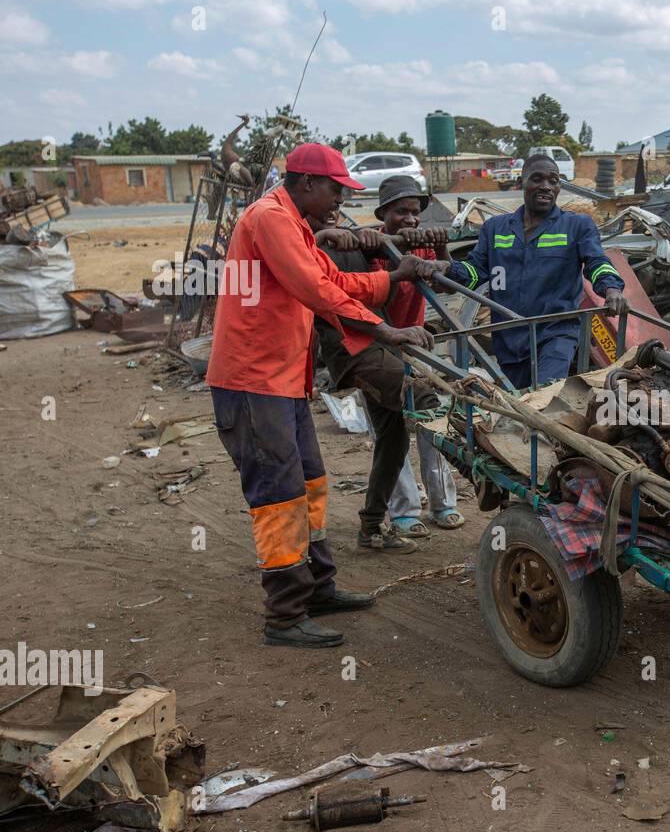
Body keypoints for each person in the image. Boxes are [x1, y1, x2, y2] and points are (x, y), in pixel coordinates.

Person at [206, 142, 435, 648]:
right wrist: (383, 330)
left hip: (284, 380)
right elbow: (313, 287)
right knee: (279, 496)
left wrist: (389, 278)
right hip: (252, 382)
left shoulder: (295, 221)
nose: (339, 200)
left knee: (310, 484)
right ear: (307, 182)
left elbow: (331, 277)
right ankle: (284, 616)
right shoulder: (269, 218)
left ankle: (318, 587)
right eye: (335, 189)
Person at [310, 175, 464, 545]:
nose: (410, 219)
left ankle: (373, 524)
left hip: (399, 345)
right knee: (429, 401)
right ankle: (416, 505)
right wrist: (391, 265)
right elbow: (355, 296)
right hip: (362, 347)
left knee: (395, 438)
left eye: (415, 213)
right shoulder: (362, 245)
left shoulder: (406, 243)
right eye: (401, 212)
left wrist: (439, 250)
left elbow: (445, 281)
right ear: (382, 214)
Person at [445, 153, 626, 389]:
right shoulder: (495, 229)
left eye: (554, 180)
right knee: (522, 402)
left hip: (556, 332)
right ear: (521, 183)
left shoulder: (576, 226)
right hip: (509, 337)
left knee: (545, 394)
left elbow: (597, 262)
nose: (546, 186)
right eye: (537, 179)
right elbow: (474, 272)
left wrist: (611, 289)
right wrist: (446, 267)